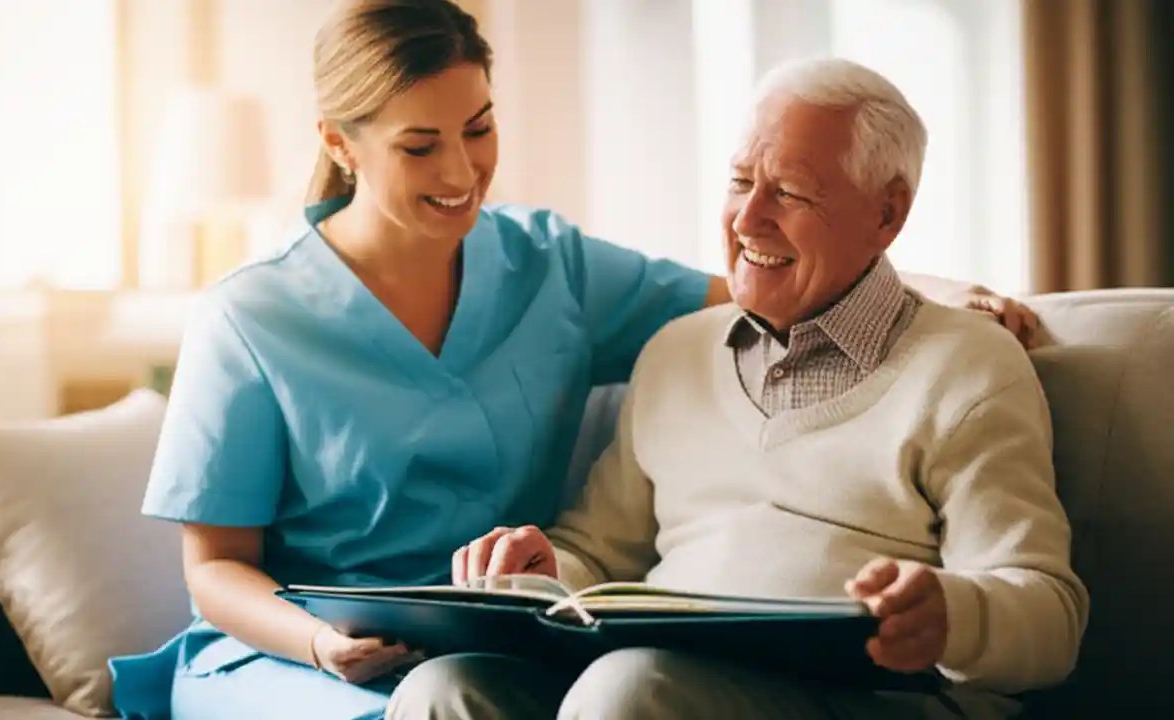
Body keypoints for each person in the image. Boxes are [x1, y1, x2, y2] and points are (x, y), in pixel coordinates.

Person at [107, 3, 1043, 719]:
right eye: (420, 145)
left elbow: (758, 282)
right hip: (307, 649)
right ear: (339, 145)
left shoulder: (546, 264)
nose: (462, 173)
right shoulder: (250, 313)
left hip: (501, 632)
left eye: (478, 127)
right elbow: (216, 568)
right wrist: (321, 643)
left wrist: (940, 289)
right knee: (424, 703)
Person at [436, 58, 1088, 720]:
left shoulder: (968, 366)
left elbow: (1050, 614)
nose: (748, 220)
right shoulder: (676, 353)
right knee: (449, 687)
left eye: (791, 193)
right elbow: (597, 553)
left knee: (631, 689)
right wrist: (548, 569)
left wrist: (954, 613)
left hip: (872, 698)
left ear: (888, 214)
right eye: (741, 182)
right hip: (660, 683)